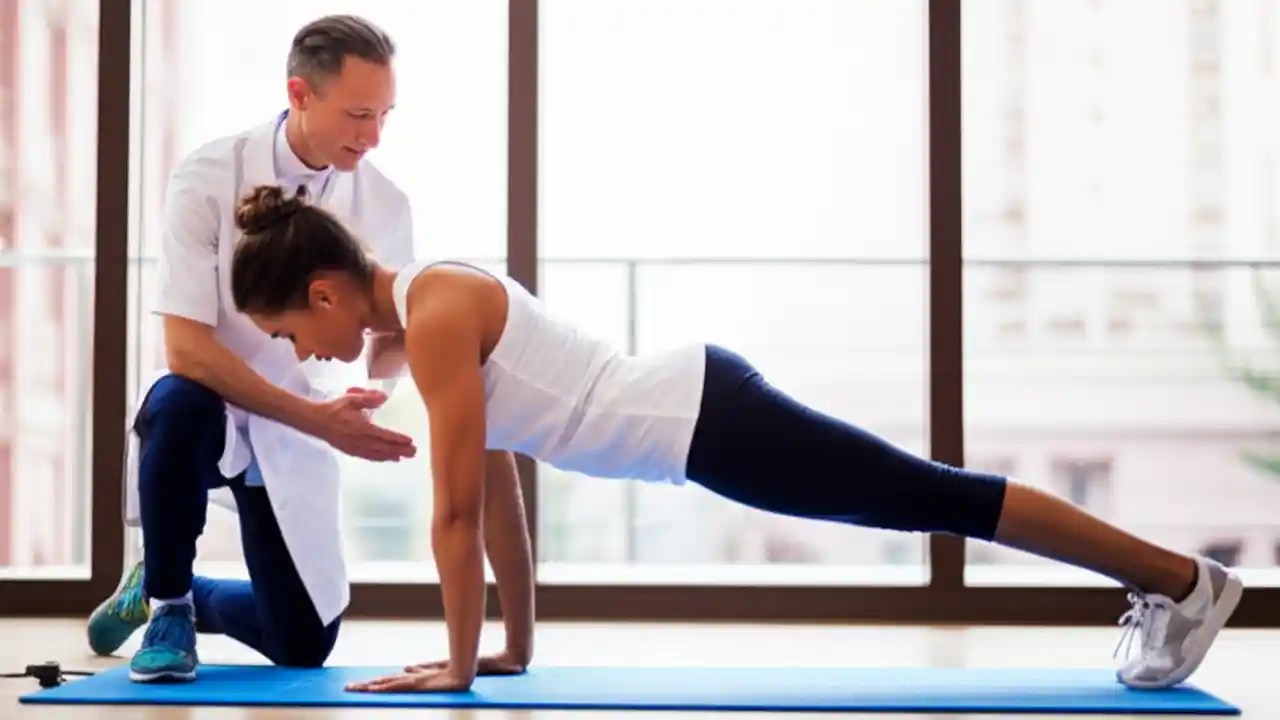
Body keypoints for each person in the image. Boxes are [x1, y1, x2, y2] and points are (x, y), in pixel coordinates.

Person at [228, 184, 1244, 695]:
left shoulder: (439, 312)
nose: (300, 352)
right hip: (703, 420)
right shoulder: (426, 318)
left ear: (324, 292)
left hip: (708, 420)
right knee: (934, 496)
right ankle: (1173, 582)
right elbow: (496, 497)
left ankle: (1180, 581)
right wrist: (507, 650)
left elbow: (452, 512)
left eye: (287, 331)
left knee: (938, 496)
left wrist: (453, 667)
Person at [86, 16, 419, 683]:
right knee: (178, 403)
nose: (373, 136)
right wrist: (318, 420)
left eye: (384, 115)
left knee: (302, 643)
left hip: (293, 428)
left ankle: (173, 584)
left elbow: (390, 339)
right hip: (205, 406)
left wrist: (383, 382)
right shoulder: (207, 177)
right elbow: (186, 348)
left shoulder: (384, 203)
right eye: (358, 115)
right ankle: (170, 608)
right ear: (300, 93)